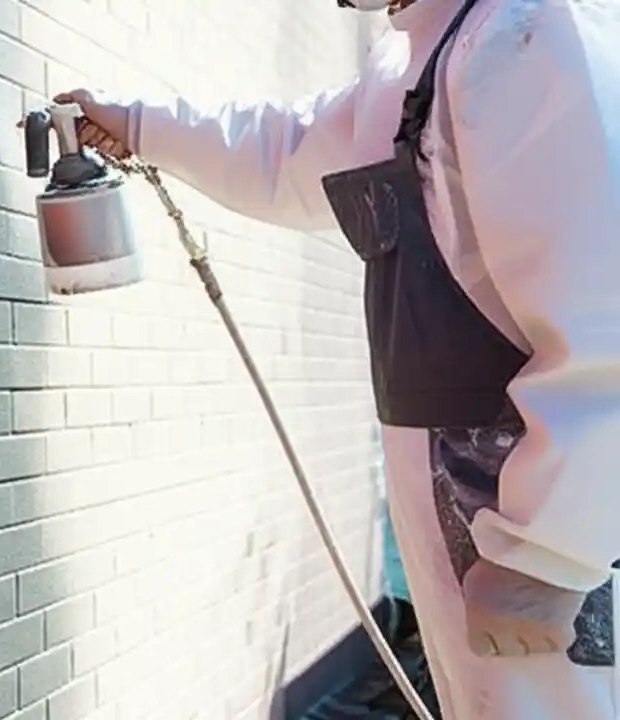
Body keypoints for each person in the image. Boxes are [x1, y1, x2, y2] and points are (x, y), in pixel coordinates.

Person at [51, 0, 620, 717]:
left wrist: (553, 550)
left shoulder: (527, 29)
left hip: (536, 518)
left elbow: (604, 305)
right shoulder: (412, 56)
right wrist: (138, 126)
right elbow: (285, 153)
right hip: (465, 505)